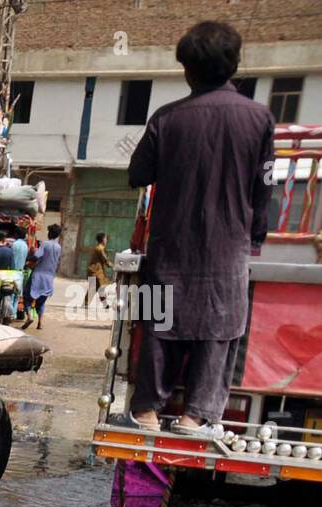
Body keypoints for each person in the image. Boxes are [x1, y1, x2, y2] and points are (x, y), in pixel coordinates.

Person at [124, 21, 274, 438]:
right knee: (220, 326)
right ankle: (197, 416)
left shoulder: (166, 118)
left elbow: (137, 174)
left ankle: (146, 411)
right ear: (234, 67)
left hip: (169, 248)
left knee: (155, 319)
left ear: (187, 70)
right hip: (228, 251)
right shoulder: (260, 119)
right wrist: (254, 238)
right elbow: (264, 191)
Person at [23, 223, 62, 330]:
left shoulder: (45, 244)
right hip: (49, 278)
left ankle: (29, 317)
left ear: (50, 233)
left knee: (27, 296)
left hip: (38, 275)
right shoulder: (59, 247)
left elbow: (37, 255)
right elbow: (57, 261)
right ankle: (40, 323)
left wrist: (29, 257)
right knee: (41, 301)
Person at [85, 231, 110, 308]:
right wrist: (112, 265)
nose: (106, 240)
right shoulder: (100, 248)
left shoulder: (98, 247)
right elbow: (105, 260)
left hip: (95, 271)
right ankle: (86, 304)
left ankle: (105, 304)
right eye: (105, 238)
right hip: (95, 272)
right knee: (95, 288)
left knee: (99, 288)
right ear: (102, 239)